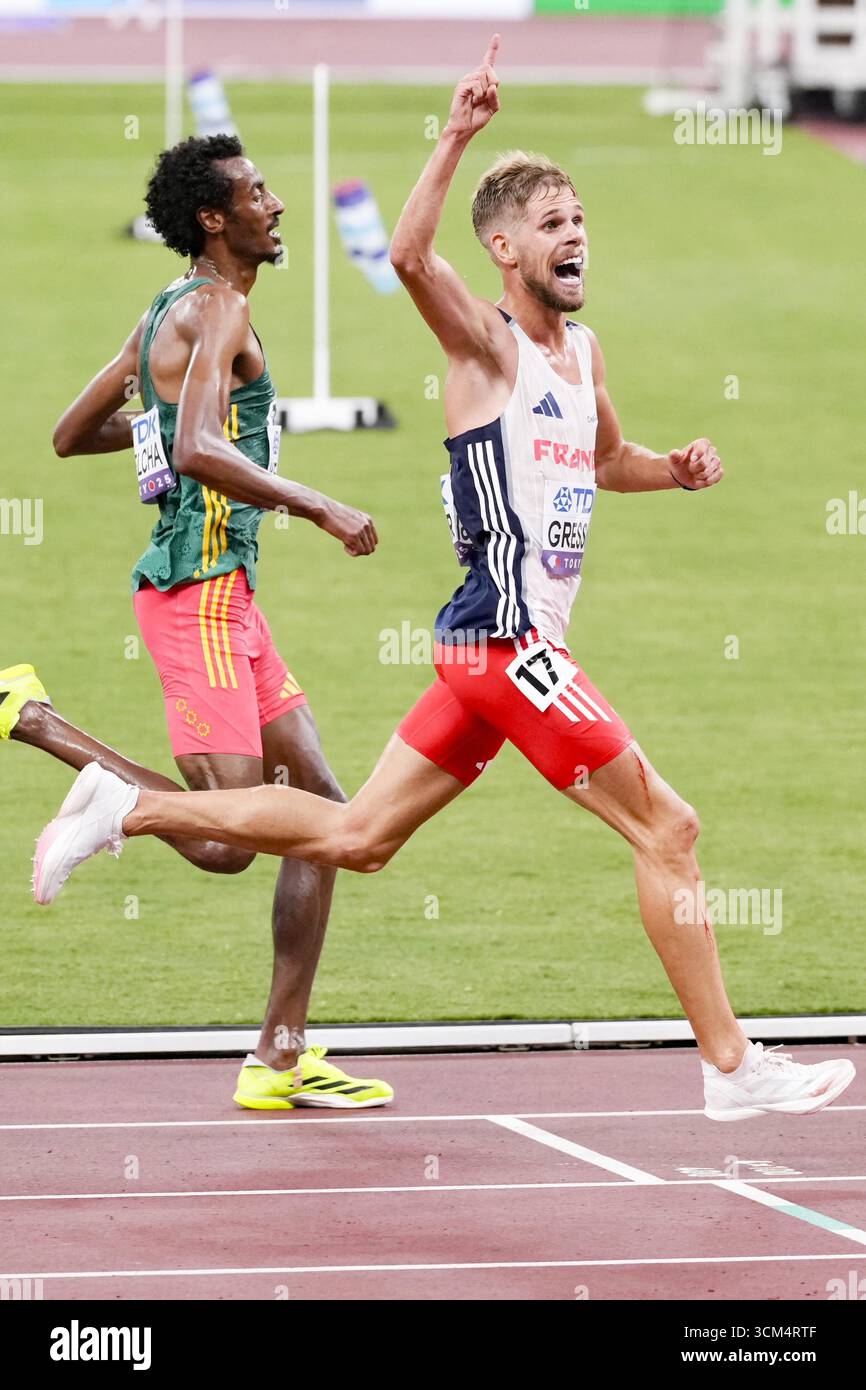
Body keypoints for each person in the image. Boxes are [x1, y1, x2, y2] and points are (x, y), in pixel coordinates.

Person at [32, 44, 854, 1122]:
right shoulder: (485, 343)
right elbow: (413, 254)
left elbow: (607, 461)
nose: (575, 237)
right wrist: (456, 128)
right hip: (509, 644)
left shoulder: (583, 353)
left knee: (358, 836)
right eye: (553, 222)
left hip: (480, 654)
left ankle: (126, 808)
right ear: (504, 248)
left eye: (580, 220)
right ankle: (732, 1068)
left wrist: (675, 470)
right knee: (671, 828)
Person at [4, 134, 393, 1112]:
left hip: (226, 593)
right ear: (215, 220)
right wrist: (317, 503)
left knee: (322, 813)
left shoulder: (168, 311)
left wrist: (160, 436)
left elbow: (69, 435)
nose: (280, 206)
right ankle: (43, 728)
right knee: (228, 841)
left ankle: (280, 1051)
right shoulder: (214, 308)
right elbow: (198, 444)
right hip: (195, 597)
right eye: (259, 193)